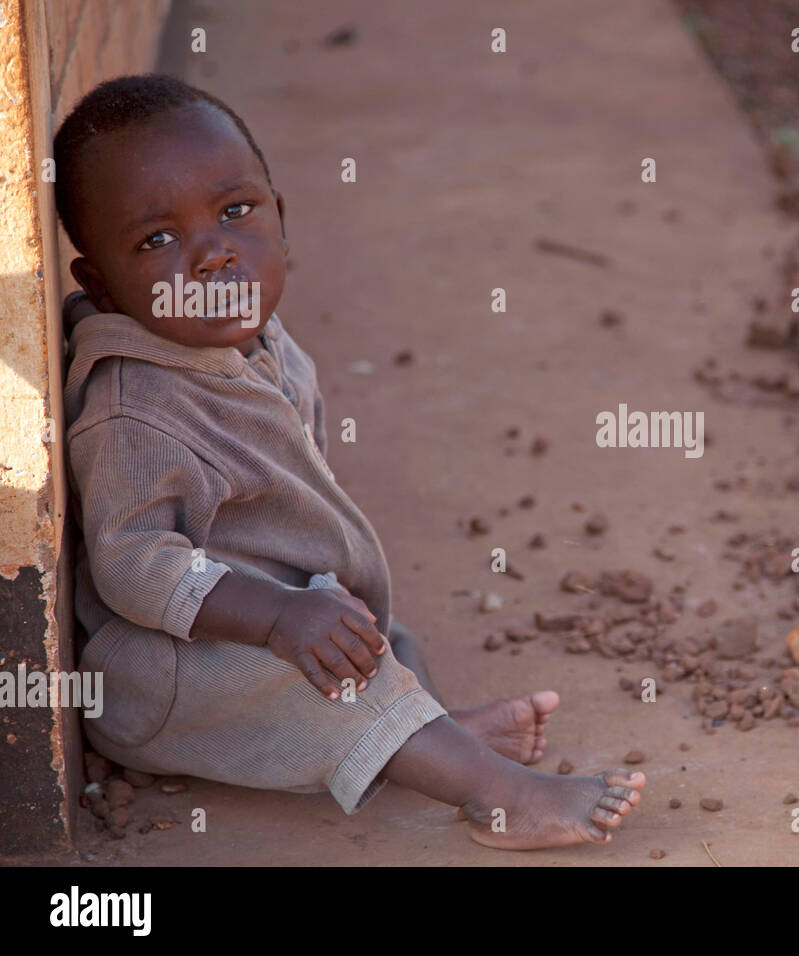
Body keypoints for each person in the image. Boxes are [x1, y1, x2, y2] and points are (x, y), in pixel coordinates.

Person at [57, 74, 642, 848]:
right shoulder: (135, 412)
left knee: (382, 639)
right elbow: (134, 566)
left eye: (236, 212)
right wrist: (276, 615)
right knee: (331, 679)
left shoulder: (257, 344)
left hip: (259, 628)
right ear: (100, 280)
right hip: (167, 679)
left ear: (282, 219)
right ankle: (497, 794)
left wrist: (306, 609)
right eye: (157, 240)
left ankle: (430, 736)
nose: (211, 254)